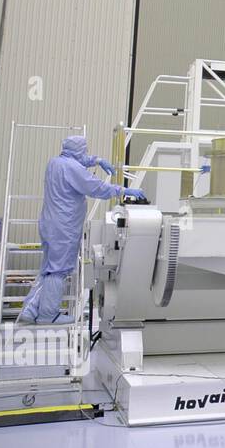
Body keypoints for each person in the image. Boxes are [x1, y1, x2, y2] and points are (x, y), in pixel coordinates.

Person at [17, 136, 145, 325]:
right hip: (64, 227)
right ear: (78, 150)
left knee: (48, 269)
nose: (85, 154)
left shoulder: (55, 163)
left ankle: (30, 309)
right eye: (84, 150)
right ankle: (48, 315)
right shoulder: (73, 168)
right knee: (58, 270)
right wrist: (123, 191)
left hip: (49, 223)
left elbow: (78, 161)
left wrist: (97, 160)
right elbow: (96, 187)